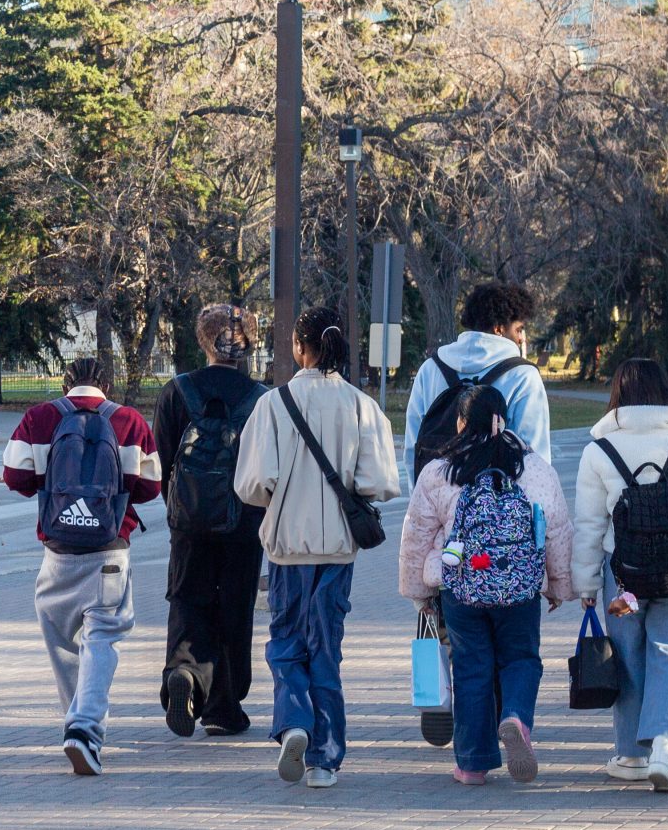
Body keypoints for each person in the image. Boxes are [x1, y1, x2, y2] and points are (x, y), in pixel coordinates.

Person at [235, 306, 398, 788]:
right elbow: (379, 482)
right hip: (339, 549)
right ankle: (325, 756)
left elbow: (253, 485)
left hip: (287, 546)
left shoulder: (273, 405)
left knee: (286, 642)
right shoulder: (360, 406)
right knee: (326, 646)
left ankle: (294, 722)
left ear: (299, 347)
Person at [399, 385, 573, 784]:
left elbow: (416, 538)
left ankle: (472, 764)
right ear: (504, 420)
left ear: (461, 423)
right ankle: (515, 717)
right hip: (520, 586)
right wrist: (559, 585)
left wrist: (418, 592)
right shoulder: (533, 469)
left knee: (471, 667)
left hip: (462, 586)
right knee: (521, 659)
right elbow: (558, 529)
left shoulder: (441, 471)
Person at [571, 357, 668, 794]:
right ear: (666, 394)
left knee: (627, 655)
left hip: (625, 579)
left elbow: (589, 526)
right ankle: (665, 746)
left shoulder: (598, 451)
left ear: (618, 396)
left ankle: (631, 756)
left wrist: (584, 586)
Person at [2, 354, 162, 775]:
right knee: (103, 639)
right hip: (109, 551)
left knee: (61, 642)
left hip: (58, 552)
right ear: (107, 385)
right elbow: (150, 487)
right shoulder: (129, 421)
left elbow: (15, 477)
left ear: (64, 383)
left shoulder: (40, 418)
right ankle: (85, 728)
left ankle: (77, 724)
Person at [150, 303, 267, 737]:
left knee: (187, 600)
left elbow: (162, 462)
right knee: (234, 607)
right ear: (249, 342)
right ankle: (223, 707)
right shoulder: (261, 398)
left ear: (203, 339)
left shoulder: (177, 391)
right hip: (243, 522)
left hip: (189, 522)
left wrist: (180, 509)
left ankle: (184, 672)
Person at [400, 281, 552, 474]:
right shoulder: (523, 375)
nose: (522, 338)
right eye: (519, 329)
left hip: (437, 497)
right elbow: (534, 457)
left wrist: (422, 499)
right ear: (499, 328)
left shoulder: (430, 369)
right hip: (497, 501)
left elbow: (413, 446)